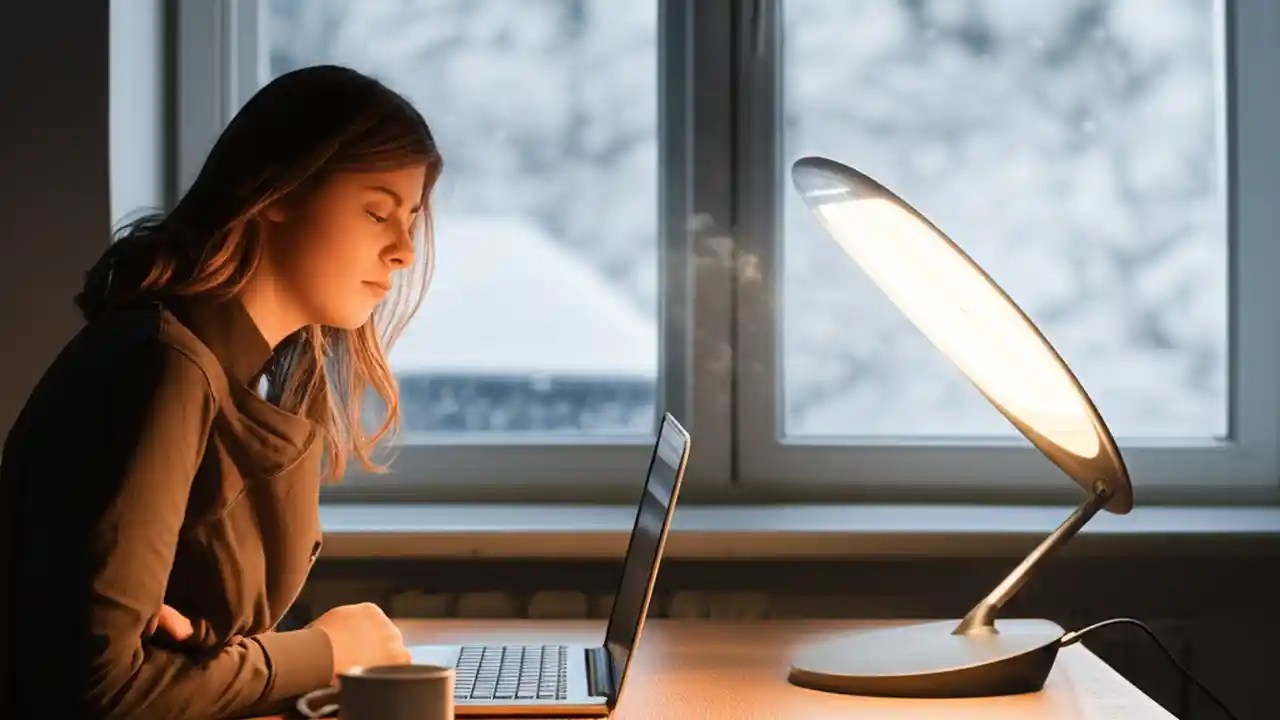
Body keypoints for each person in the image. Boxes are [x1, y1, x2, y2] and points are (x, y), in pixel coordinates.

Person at [0, 64, 444, 718]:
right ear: (276, 192)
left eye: (410, 218)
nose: (403, 250)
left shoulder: (226, 369)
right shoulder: (163, 368)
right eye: (378, 211)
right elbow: (97, 688)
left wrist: (209, 648)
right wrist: (324, 650)